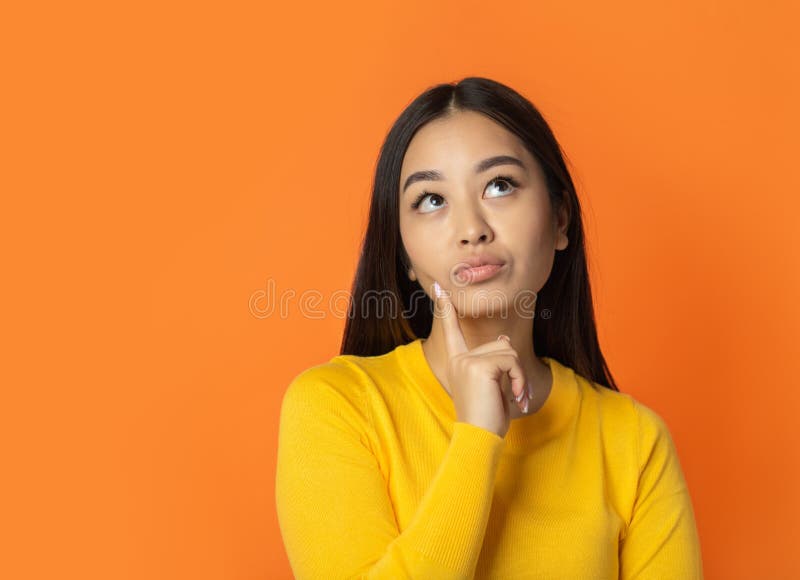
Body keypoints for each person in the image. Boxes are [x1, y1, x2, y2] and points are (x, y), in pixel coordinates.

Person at [275, 77, 704, 579]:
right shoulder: (337, 407)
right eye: (431, 200)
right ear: (404, 256)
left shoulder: (634, 441)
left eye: (499, 185)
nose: (471, 228)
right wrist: (477, 437)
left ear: (560, 219)